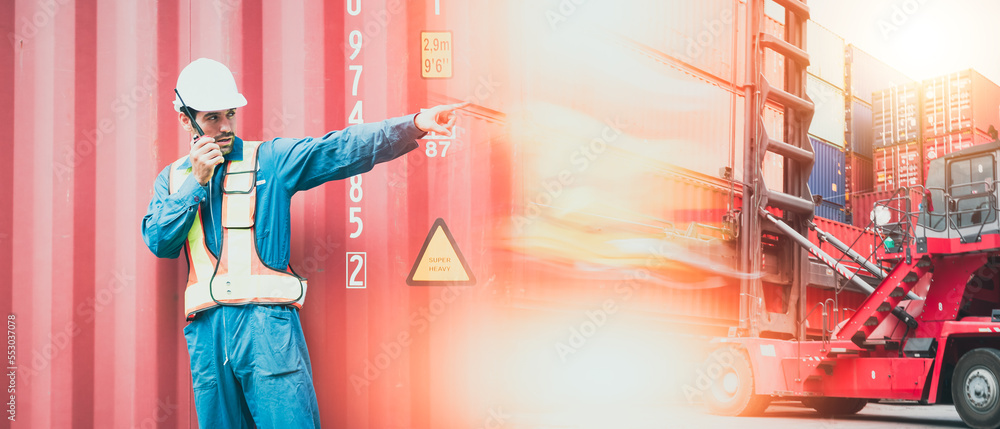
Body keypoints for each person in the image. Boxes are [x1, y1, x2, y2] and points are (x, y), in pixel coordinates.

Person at [141, 58, 467, 427]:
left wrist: (414, 125)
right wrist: (195, 183)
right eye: (212, 118)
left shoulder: (270, 160)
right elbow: (160, 242)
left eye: (230, 114)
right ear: (186, 119)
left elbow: (338, 149)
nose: (226, 126)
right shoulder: (171, 181)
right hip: (209, 338)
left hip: (268, 330)